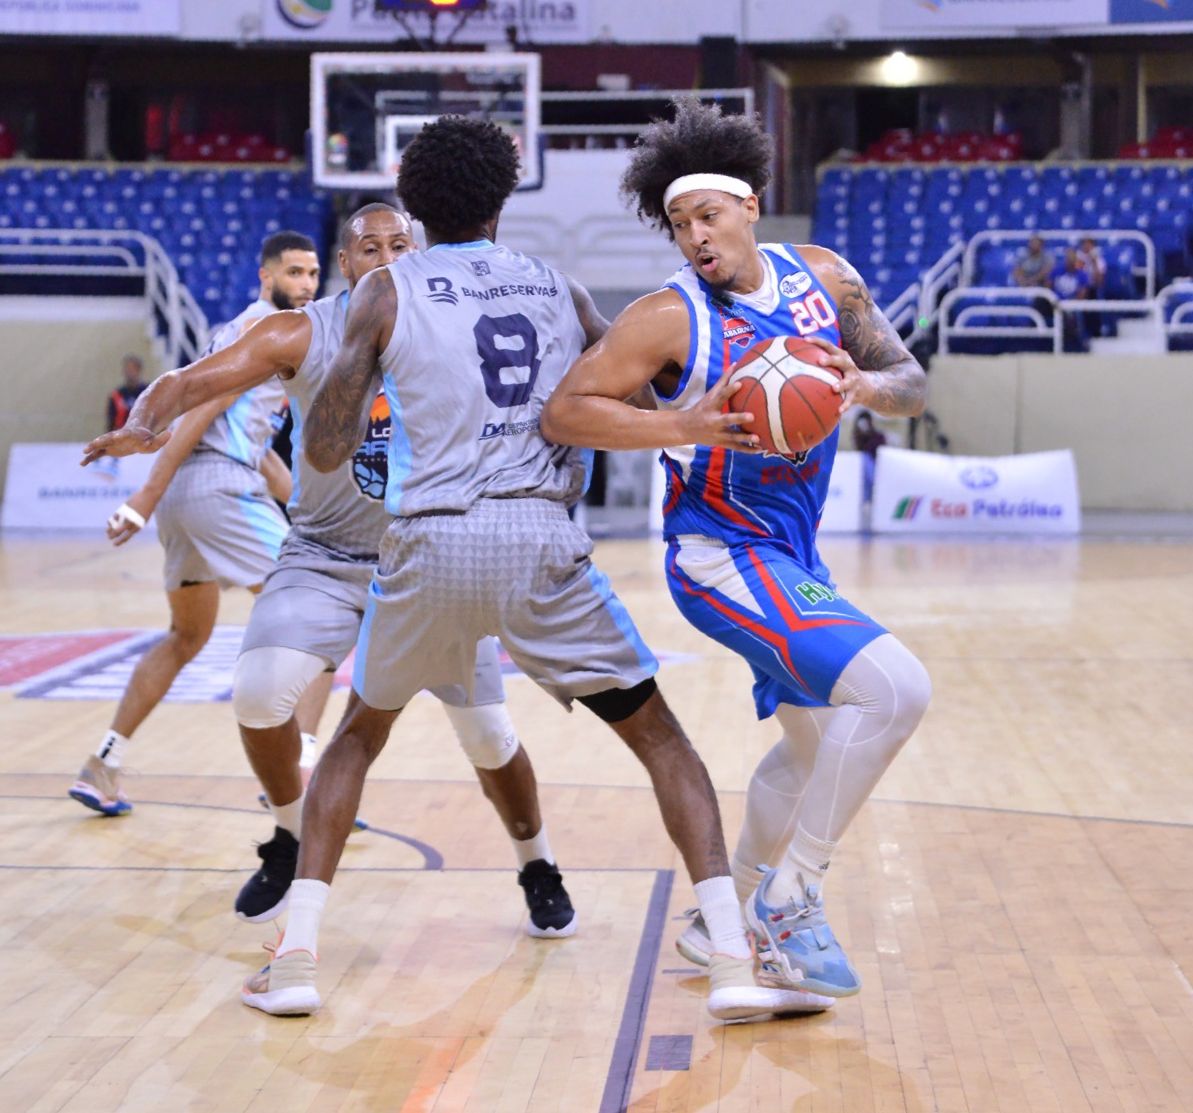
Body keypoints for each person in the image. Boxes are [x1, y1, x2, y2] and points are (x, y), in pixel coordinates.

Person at [239, 115, 823, 1022]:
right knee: (661, 740)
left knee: (356, 738)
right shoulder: (557, 284)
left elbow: (321, 448)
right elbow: (629, 389)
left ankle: (297, 961)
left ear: (417, 203)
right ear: (506, 195)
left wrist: (355, 402)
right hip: (542, 541)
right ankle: (735, 959)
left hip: (433, 540)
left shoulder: (385, 289)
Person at [80, 204, 578, 939]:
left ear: (418, 254)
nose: (382, 257)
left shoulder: (456, 324)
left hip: (430, 563)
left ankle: (537, 863)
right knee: (255, 693)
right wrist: (144, 422)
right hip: (323, 556)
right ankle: (288, 833)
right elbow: (197, 380)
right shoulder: (306, 329)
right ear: (344, 265)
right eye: (366, 247)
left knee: (488, 738)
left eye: (398, 245)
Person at [541, 99, 933, 1001]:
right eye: (679, 225)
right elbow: (565, 411)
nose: (694, 237)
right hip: (717, 553)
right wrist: (678, 424)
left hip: (793, 553)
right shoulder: (665, 318)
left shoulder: (826, 279)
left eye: (706, 216)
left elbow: (910, 381)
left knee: (814, 746)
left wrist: (864, 383)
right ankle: (790, 898)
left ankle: (716, 920)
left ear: (749, 205)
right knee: (897, 688)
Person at [69, 232, 323, 818]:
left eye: (312, 274)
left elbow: (258, 449)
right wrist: (144, 495)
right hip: (216, 488)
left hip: (200, 492)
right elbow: (202, 410)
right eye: (294, 273)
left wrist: (309, 508)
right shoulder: (266, 328)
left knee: (187, 636)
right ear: (266, 276)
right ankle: (298, 777)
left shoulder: (248, 329)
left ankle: (102, 763)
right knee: (321, 616)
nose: (306, 285)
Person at [1052, 247, 1092, 352]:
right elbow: (1048, 286)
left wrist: (1070, 304)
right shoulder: (1057, 271)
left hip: (1073, 304)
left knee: (1076, 313)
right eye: (1068, 258)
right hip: (1056, 303)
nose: (1070, 260)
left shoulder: (1082, 274)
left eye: (1072, 258)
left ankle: (1082, 343)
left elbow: (1082, 294)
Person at [107, 354, 148, 431]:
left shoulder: (148, 392)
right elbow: (111, 422)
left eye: (132, 369)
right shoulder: (116, 395)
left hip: (143, 436)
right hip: (121, 436)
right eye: (127, 369)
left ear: (139, 370)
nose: (129, 372)